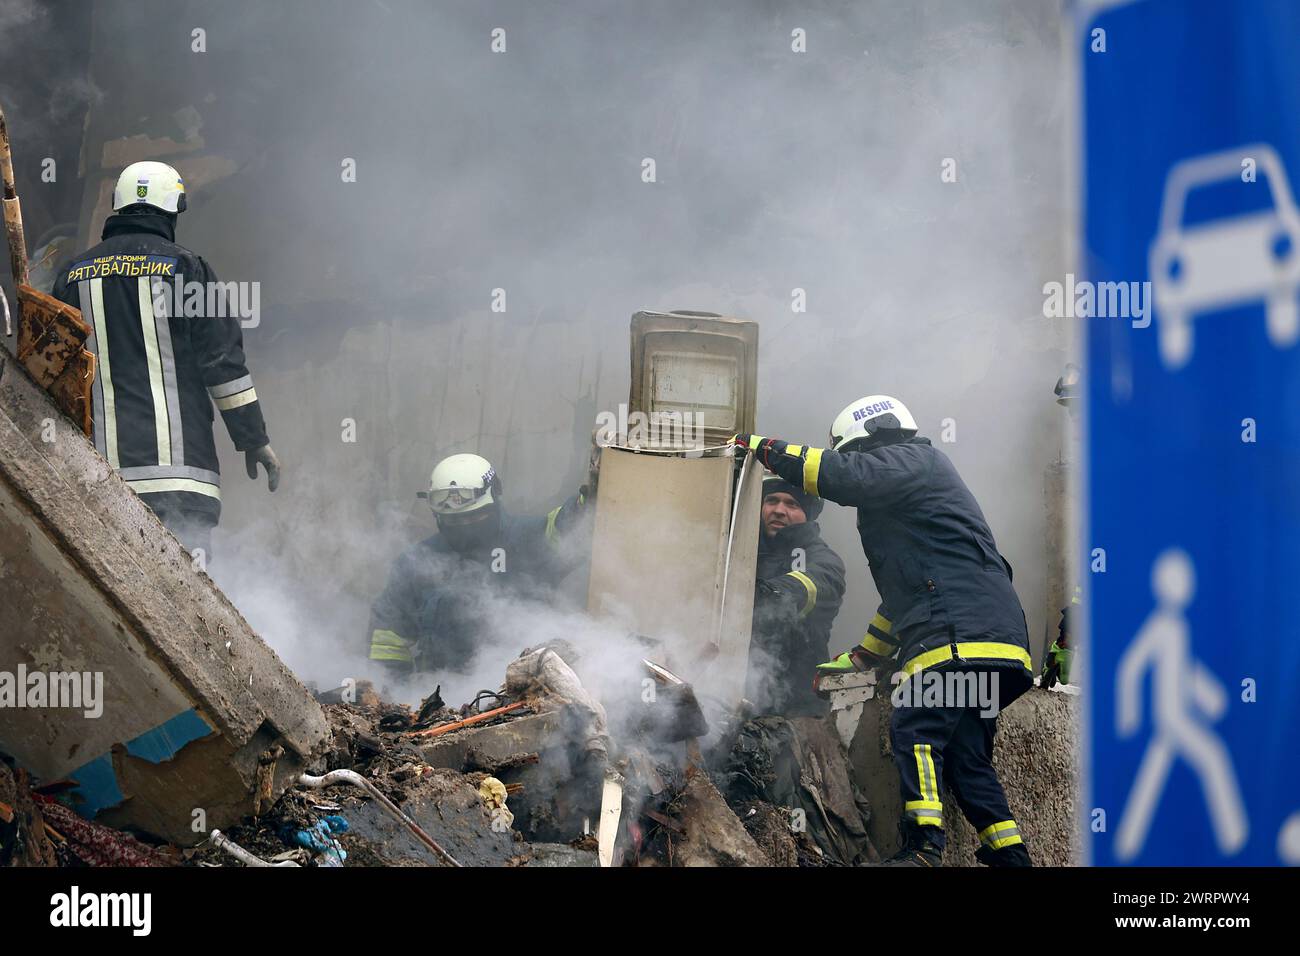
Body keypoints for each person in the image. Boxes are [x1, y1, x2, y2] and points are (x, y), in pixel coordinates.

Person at [732, 393, 1033, 867]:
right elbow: (901, 600)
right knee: (967, 758)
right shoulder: (910, 508)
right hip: (998, 646)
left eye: (852, 454)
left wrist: (762, 447)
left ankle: (925, 849)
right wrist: (864, 656)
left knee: (914, 725)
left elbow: (843, 476)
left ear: (868, 440)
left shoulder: (915, 459)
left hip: (958, 635)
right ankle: (1011, 855)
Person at [51, 161, 278, 556]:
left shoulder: (71, 277)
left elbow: (53, 371)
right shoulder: (186, 269)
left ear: (119, 207)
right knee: (184, 590)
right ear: (173, 211)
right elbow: (224, 367)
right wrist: (253, 439)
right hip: (180, 482)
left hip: (100, 479)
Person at [367, 452, 590, 674]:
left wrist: (588, 502)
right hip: (442, 690)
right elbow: (387, 640)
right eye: (451, 520)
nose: (462, 528)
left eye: (472, 517)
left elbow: (566, 529)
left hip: (527, 687)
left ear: (494, 502)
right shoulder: (416, 562)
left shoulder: (528, 537)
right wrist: (396, 690)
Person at [746, 475, 845, 717]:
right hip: (740, 696)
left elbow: (813, 585)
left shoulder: (824, 560)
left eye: (792, 504)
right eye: (771, 500)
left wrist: (766, 593)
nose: (779, 510)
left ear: (807, 514)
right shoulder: (738, 549)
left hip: (799, 709)